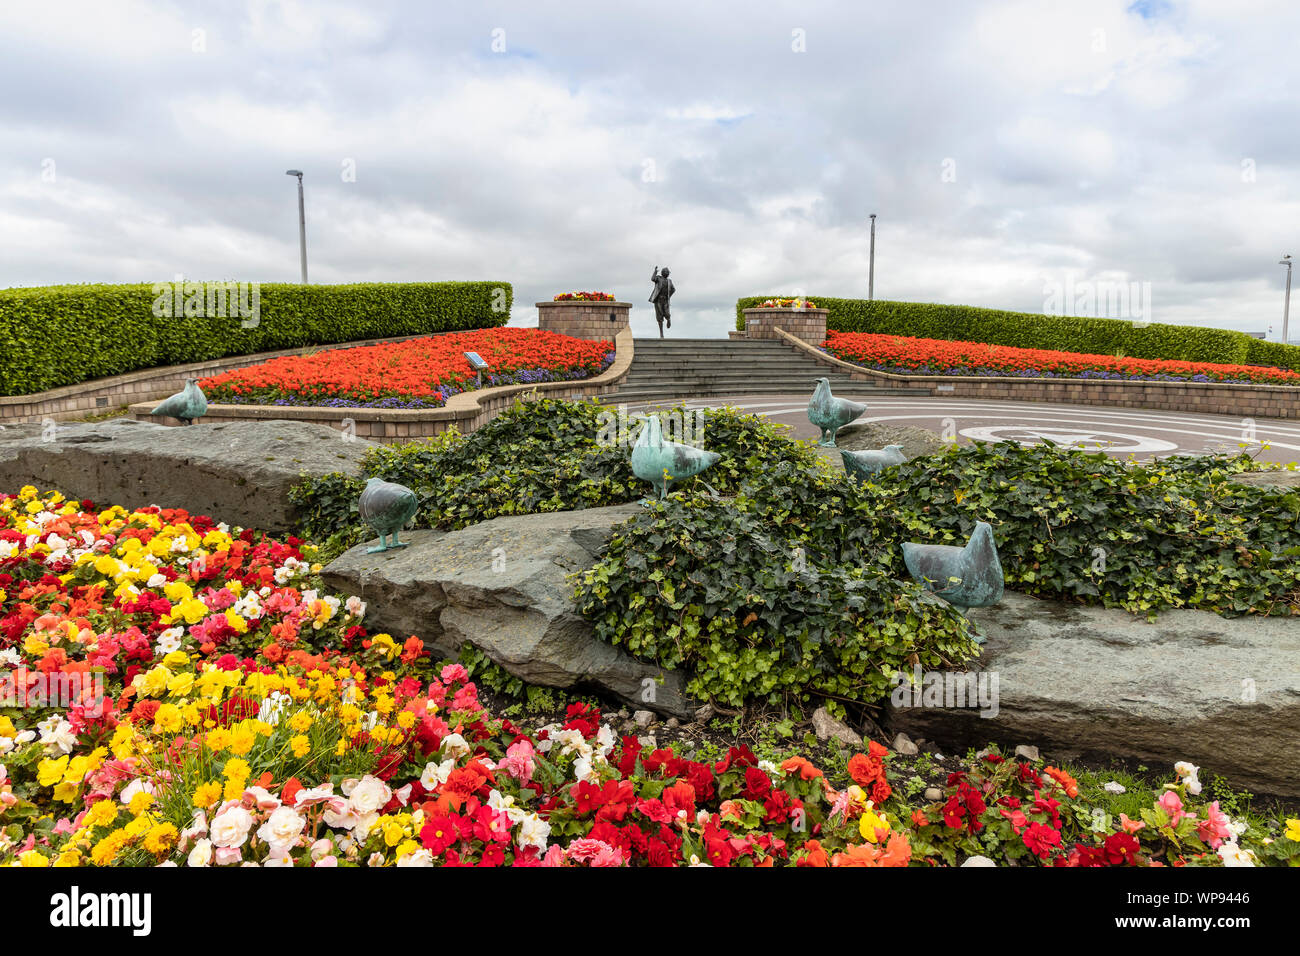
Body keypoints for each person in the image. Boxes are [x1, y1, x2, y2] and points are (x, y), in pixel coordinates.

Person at [649, 265, 675, 338]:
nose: (668, 273)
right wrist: (655, 272)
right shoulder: (658, 278)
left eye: (668, 272)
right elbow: (652, 279)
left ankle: (668, 319)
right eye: (666, 272)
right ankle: (661, 333)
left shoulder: (669, 281)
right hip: (658, 300)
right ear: (663, 273)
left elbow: (673, 289)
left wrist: (668, 296)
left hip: (665, 300)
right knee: (659, 316)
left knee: (667, 313)